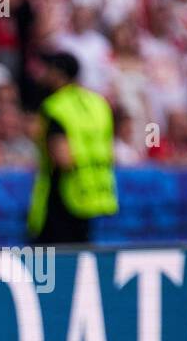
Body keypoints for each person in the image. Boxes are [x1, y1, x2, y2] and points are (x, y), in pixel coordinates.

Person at [26, 51, 118, 245]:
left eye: (48, 70)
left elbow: (63, 158)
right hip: (95, 194)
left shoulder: (55, 107)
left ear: (58, 74)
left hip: (62, 198)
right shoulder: (98, 104)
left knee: (55, 266)